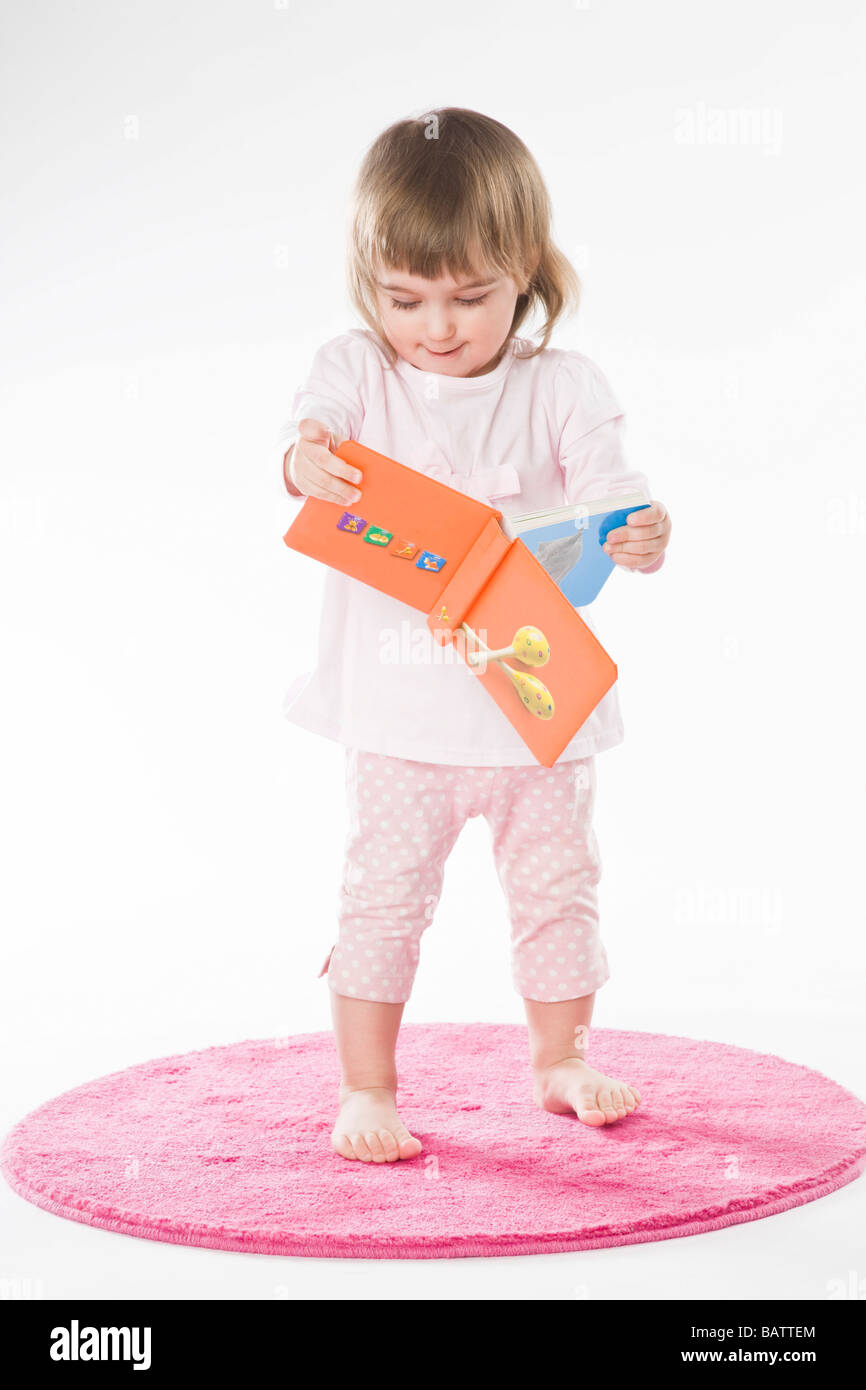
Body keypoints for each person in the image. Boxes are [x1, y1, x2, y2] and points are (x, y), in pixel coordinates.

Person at [277, 108, 672, 1163]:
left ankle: (560, 1059)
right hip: (400, 721)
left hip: (537, 718)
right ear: (368, 282)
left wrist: (637, 529)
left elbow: (611, 490)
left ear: (526, 274)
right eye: (405, 299)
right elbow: (305, 434)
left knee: (557, 894)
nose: (438, 327)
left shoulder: (558, 385)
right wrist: (304, 457)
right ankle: (366, 1085)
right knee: (380, 899)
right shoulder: (359, 373)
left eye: (472, 296)